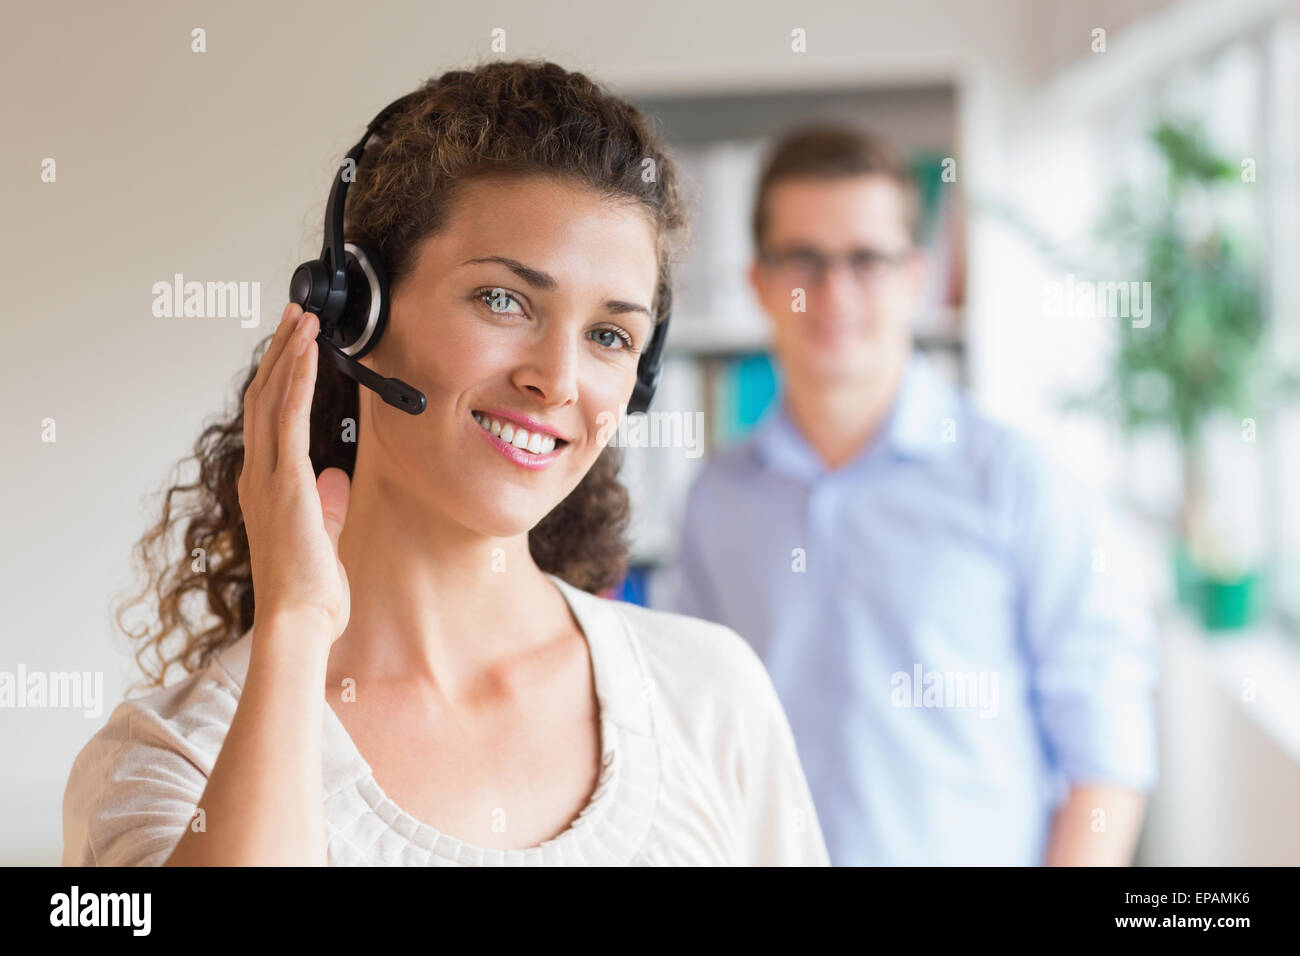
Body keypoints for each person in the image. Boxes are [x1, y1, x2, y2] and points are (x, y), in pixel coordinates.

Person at [61, 60, 828, 867]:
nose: (557, 381)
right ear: (357, 311)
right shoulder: (171, 762)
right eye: (504, 300)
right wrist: (294, 627)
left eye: (610, 335)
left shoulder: (709, 696)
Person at [664, 125, 1158, 866]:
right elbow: (690, 735)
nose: (835, 292)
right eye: (803, 259)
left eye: (867, 258)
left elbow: (1107, 761)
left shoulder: (1018, 482)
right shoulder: (715, 500)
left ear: (915, 276)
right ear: (759, 282)